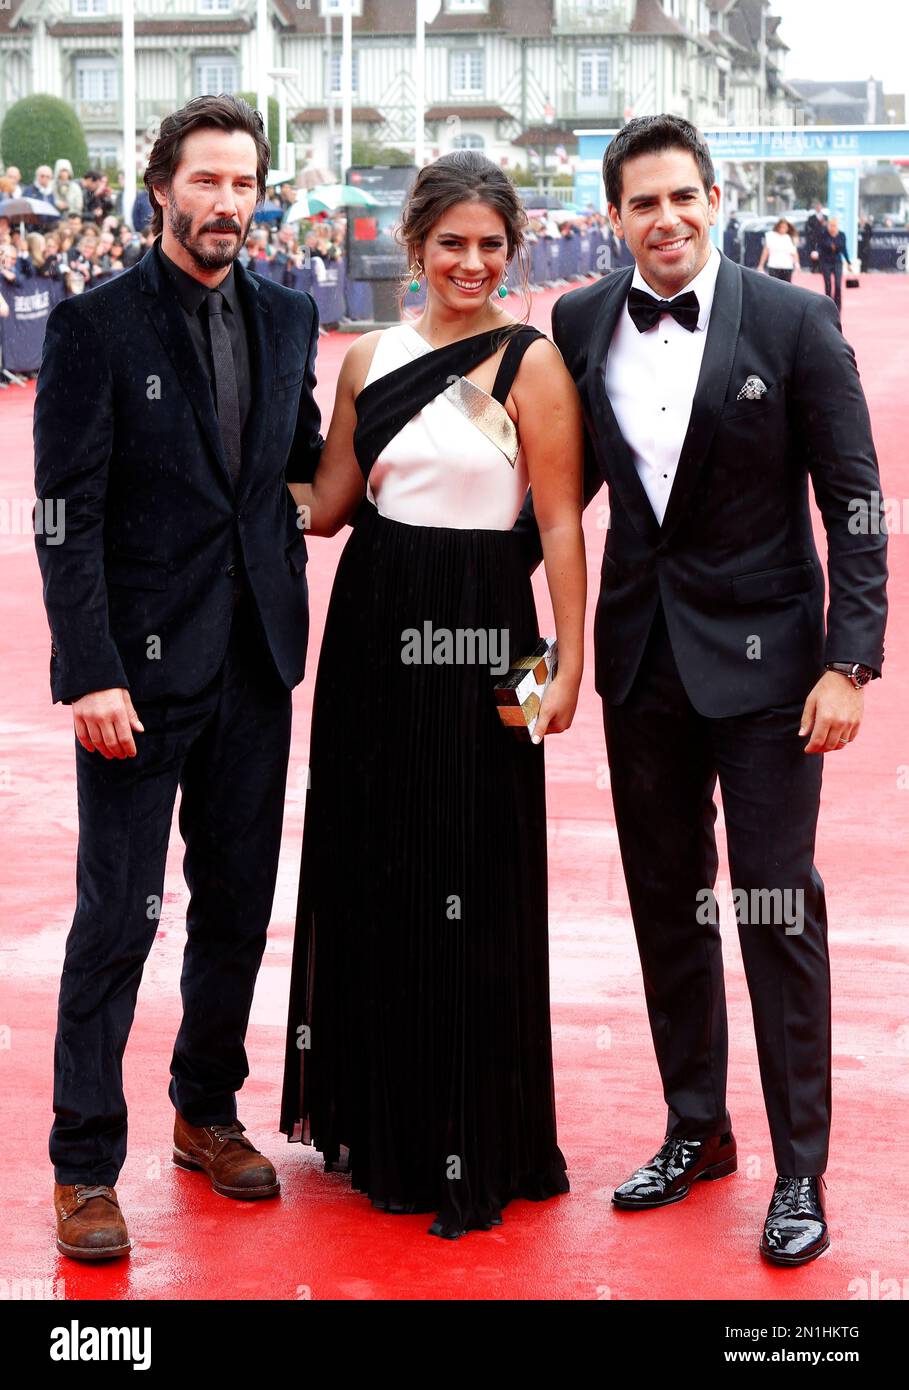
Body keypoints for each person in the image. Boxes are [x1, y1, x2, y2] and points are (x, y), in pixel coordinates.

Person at [513, 114, 888, 1266]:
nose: (665, 220)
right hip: (643, 664)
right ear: (615, 215)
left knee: (776, 913)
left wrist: (850, 660)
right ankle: (696, 1126)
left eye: (683, 197)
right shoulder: (575, 321)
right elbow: (556, 496)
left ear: (715, 199)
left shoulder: (795, 318)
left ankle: (802, 1169)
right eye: (642, 203)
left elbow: (855, 500)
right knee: (668, 904)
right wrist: (469, 606)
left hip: (775, 670)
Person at [33, 94, 324, 1261]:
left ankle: (206, 1110)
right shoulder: (93, 325)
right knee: (118, 916)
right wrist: (90, 671)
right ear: (159, 187)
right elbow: (66, 515)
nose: (225, 204)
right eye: (205, 181)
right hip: (137, 681)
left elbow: (304, 468)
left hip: (255, 659)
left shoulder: (292, 315)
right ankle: (83, 1164)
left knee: (238, 907)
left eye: (244, 184)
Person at [279, 150, 585, 1239]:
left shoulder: (532, 361)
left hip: (489, 626)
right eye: (451, 242)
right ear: (414, 247)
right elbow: (327, 502)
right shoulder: (370, 355)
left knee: (476, 861)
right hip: (374, 620)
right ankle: (379, 1112)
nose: (471, 261)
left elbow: (555, 523)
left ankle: (472, 1124)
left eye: (491, 245)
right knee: (382, 855)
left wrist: (568, 663)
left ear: (513, 251)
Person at [817, 215, 851, 312]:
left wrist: (848, 262)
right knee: (828, 286)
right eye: (830, 225)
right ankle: (828, 308)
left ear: (837, 226)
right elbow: (820, 247)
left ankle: (837, 308)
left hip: (837, 262)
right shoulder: (824, 234)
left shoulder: (842, 235)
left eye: (834, 225)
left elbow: (844, 249)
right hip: (826, 262)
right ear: (828, 226)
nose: (832, 227)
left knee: (838, 285)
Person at [757, 217, 799, 281]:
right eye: (781, 227)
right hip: (774, 266)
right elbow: (765, 251)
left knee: (786, 288)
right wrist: (761, 265)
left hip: (787, 267)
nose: (783, 229)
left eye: (785, 227)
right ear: (778, 227)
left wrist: (797, 264)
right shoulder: (771, 236)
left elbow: (794, 253)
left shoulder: (790, 238)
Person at [804, 202, 826, 273]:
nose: (818, 208)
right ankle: (813, 268)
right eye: (817, 207)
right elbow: (807, 228)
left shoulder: (825, 217)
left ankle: (821, 268)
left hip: (823, 240)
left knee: (822, 253)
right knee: (813, 254)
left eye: (820, 207)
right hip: (813, 240)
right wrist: (811, 236)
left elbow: (827, 228)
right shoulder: (811, 218)